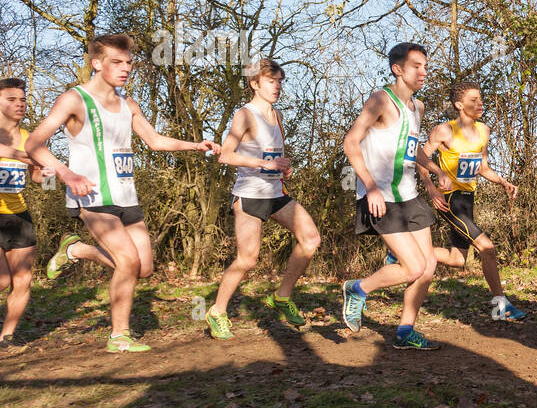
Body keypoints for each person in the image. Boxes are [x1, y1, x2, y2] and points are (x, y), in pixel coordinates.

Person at [26, 33, 218, 352]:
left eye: (128, 62)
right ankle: (119, 336)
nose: (125, 67)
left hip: (127, 197)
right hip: (91, 197)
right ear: (97, 63)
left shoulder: (129, 104)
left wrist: (196, 145)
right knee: (126, 260)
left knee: (142, 268)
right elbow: (34, 143)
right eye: (117, 62)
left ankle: (76, 251)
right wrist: (66, 173)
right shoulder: (74, 99)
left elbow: (155, 141)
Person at [340, 42, 448, 349]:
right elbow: (351, 142)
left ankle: (404, 332)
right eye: (417, 66)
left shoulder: (418, 107)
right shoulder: (381, 100)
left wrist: (435, 168)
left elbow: (410, 150)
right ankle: (358, 289)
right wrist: (370, 187)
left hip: (409, 195)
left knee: (427, 268)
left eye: (426, 66)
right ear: (397, 69)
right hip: (381, 196)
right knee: (412, 267)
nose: (423, 71)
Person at [205, 58, 321, 339]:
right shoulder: (244, 115)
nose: (277, 86)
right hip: (250, 195)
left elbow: (274, 155)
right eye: (271, 81)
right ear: (254, 84)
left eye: (280, 81)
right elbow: (226, 155)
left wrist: (283, 166)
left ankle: (282, 297)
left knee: (311, 239)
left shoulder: (276, 115)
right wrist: (264, 164)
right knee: (247, 259)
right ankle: (217, 311)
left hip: (276, 194)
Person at [420, 81, 526, 321]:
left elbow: (483, 167)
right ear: (459, 104)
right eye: (473, 100)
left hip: (468, 199)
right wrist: (432, 189)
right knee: (487, 249)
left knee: (457, 259)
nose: (480, 104)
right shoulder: (443, 131)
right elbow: (420, 158)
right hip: (449, 200)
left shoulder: (484, 131)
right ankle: (501, 306)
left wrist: (502, 182)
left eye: (480, 99)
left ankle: (408, 253)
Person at [0, 78, 46, 347]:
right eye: (11, 99)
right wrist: (22, 155)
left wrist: (44, 171)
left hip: (19, 217)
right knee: (3, 280)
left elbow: (38, 178)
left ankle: (7, 336)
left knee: (23, 280)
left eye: (22, 99)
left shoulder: (30, 138)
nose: (19, 104)